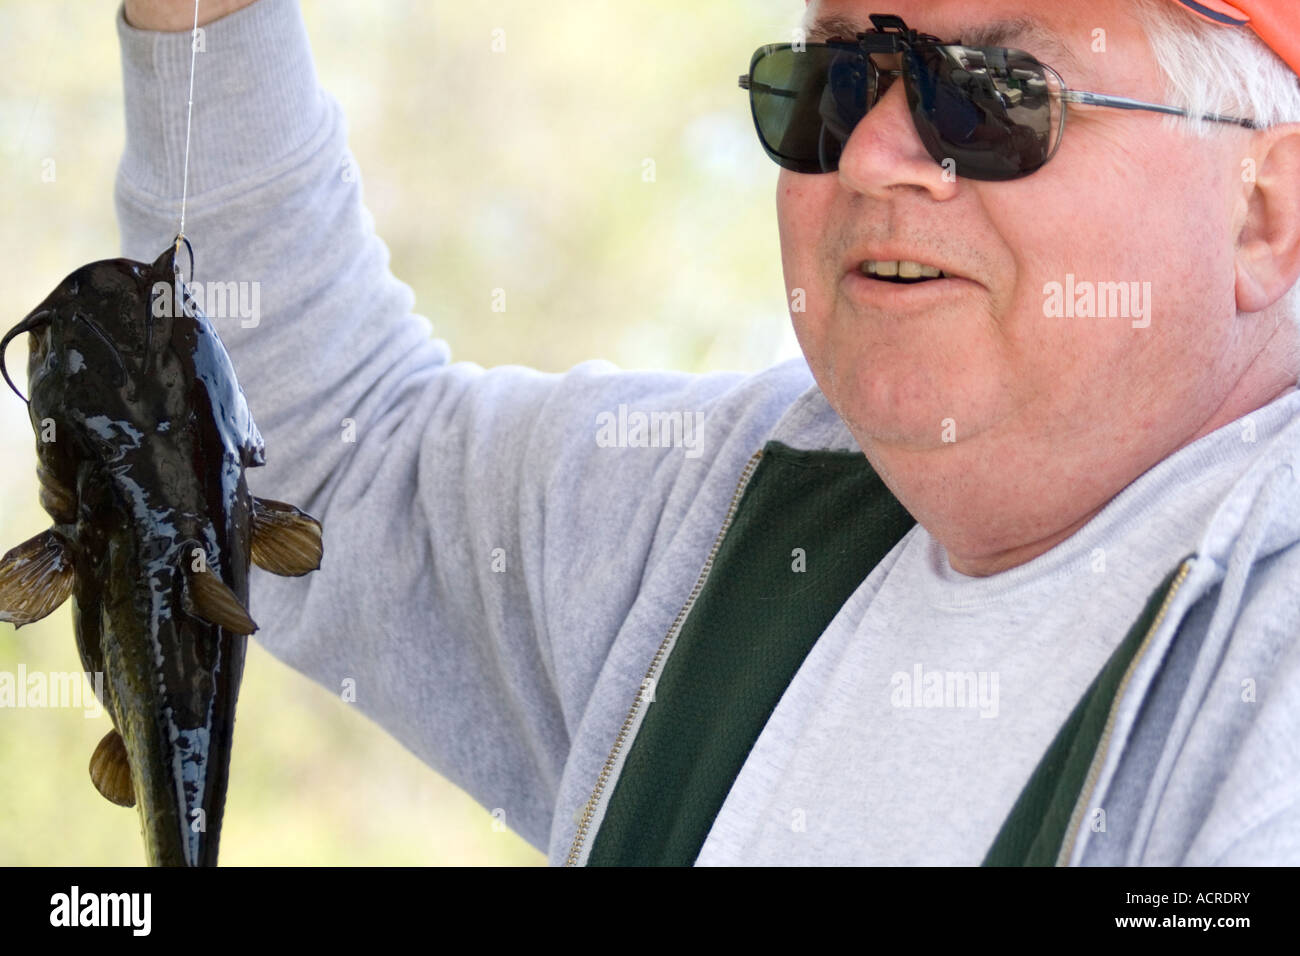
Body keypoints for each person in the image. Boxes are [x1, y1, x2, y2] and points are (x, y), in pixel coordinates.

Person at [115, 0, 1300, 865]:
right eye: (837, 80)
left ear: (1264, 213)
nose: (876, 152)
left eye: (990, 93)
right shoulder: (725, 514)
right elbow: (315, 447)